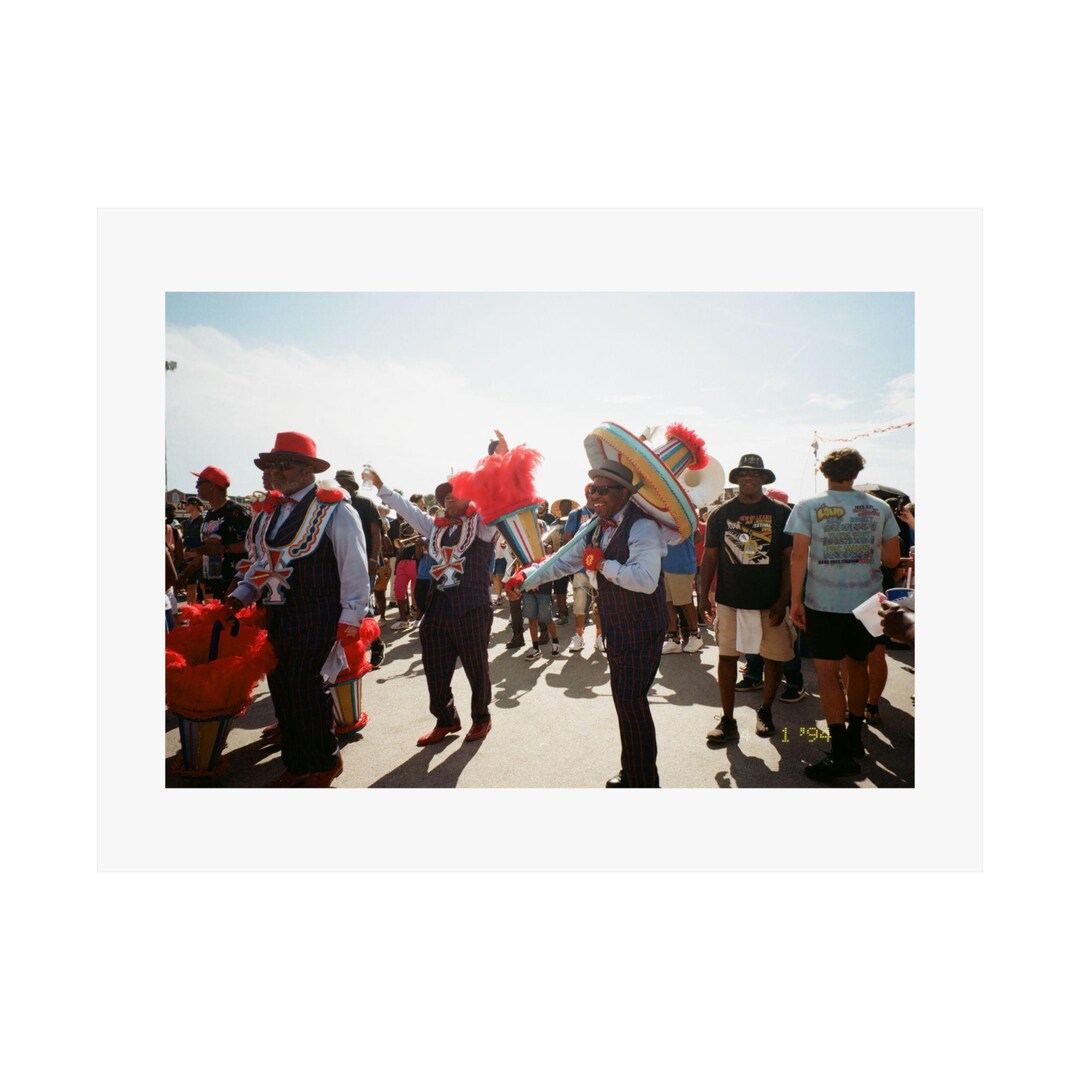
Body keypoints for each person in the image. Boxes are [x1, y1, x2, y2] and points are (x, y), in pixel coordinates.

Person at [512, 460, 668, 787]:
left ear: (624, 492)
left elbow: (645, 580)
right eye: (591, 489)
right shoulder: (596, 526)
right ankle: (633, 770)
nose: (594, 495)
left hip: (641, 626)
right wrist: (526, 579)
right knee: (625, 701)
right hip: (616, 624)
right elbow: (564, 563)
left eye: (602, 489)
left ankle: (644, 781)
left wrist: (603, 564)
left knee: (631, 701)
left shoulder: (642, 526)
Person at [226, 432, 369, 787]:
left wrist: (351, 616)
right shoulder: (269, 512)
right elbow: (263, 563)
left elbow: (354, 566)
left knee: (306, 687)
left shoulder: (336, 508)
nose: (275, 472)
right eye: (272, 465)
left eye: (285, 465)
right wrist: (241, 594)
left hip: (318, 614)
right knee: (282, 690)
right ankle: (298, 763)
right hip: (278, 616)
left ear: (308, 470)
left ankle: (325, 761)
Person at [786, 447, 901, 781]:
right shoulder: (879, 507)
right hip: (865, 602)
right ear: (856, 473)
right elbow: (892, 560)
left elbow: (798, 556)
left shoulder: (808, 506)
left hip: (823, 602)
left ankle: (839, 753)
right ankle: (854, 736)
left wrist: (795, 600)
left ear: (825, 473)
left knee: (828, 674)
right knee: (858, 664)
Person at [370, 469, 498, 745]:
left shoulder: (483, 524)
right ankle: (446, 719)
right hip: (438, 606)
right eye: (445, 496)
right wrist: (383, 487)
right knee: (435, 666)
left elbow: (500, 503)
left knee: (476, 666)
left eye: (456, 494)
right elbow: (409, 511)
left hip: (472, 607)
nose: (448, 498)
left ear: (470, 498)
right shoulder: (435, 527)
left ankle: (481, 717)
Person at [698, 455, 794, 743]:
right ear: (737, 479)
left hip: (770, 601)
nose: (748, 477)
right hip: (731, 600)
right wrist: (703, 596)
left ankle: (765, 710)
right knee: (727, 657)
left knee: (773, 658)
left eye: (754, 473)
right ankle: (728, 720)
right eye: (742, 473)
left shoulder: (781, 512)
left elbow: (788, 560)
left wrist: (784, 599)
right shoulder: (720, 513)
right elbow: (710, 556)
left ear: (764, 478)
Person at [187, 466, 251, 600]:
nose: (196, 486)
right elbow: (207, 550)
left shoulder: (235, 511)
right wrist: (184, 574)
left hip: (233, 583)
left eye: (199, 482)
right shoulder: (209, 514)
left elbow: (252, 545)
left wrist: (223, 549)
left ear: (212, 485)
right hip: (212, 580)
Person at [336, 469, 384, 594]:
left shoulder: (366, 503)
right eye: (338, 483)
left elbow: (376, 534)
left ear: (352, 485)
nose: (340, 486)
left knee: (363, 600)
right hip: (341, 563)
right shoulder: (334, 504)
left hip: (365, 562)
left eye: (343, 483)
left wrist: (374, 559)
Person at [563, 489, 598, 653]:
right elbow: (568, 539)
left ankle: (600, 637)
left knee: (600, 605)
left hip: (599, 568)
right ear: (588, 495)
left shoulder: (606, 513)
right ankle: (578, 636)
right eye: (593, 491)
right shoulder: (576, 514)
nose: (596, 495)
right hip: (581, 567)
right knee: (579, 604)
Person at [660, 533, 703, 654]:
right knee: (668, 603)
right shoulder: (662, 520)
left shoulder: (685, 520)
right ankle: (673, 639)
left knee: (685, 603)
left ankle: (695, 636)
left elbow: (698, 535)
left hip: (681, 566)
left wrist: (683, 546)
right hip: (665, 565)